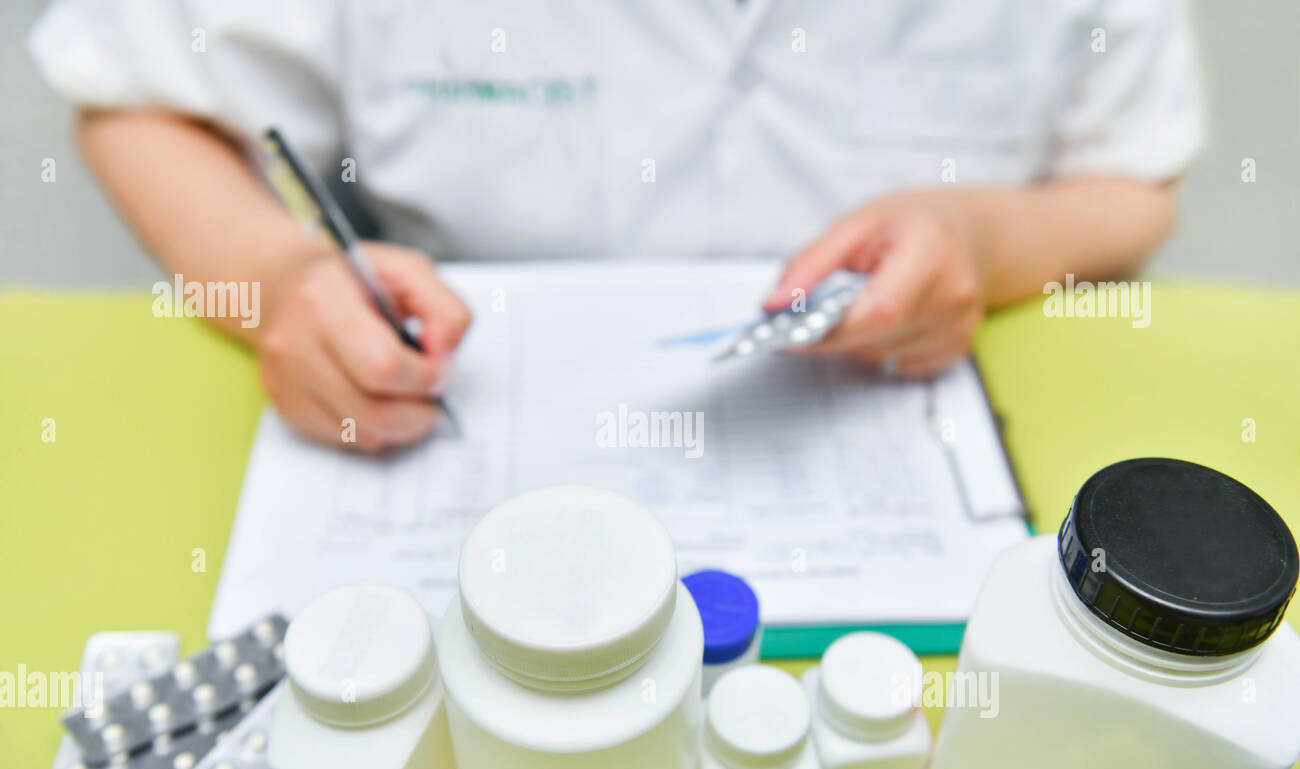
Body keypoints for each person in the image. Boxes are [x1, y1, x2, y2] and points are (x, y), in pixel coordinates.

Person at [29, 0, 1202, 452]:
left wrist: (988, 242)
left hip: (896, 432)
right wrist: (276, 274)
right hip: (460, 412)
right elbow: (134, 89)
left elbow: (1133, 180)